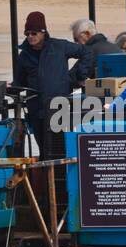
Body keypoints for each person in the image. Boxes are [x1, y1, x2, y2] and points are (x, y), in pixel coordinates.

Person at [12, 11, 91, 159]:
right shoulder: (24, 56)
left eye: (33, 33)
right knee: (44, 151)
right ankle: (46, 180)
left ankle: (62, 180)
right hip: (36, 110)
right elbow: (19, 81)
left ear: (43, 32)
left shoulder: (59, 46)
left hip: (58, 107)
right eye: (27, 33)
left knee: (60, 149)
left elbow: (86, 52)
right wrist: (12, 87)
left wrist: (79, 75)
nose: (30, 37)